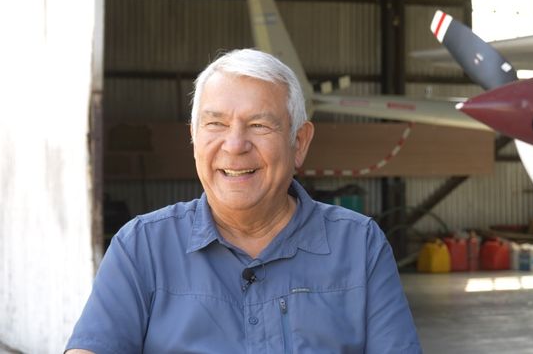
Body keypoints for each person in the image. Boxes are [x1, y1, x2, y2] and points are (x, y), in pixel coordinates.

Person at [65, 49, 421, 353]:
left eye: (259, 126)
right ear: (194, 137)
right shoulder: (141, 247)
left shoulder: (360, 246)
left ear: (299, 143)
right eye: (215, 124)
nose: (235, 145)